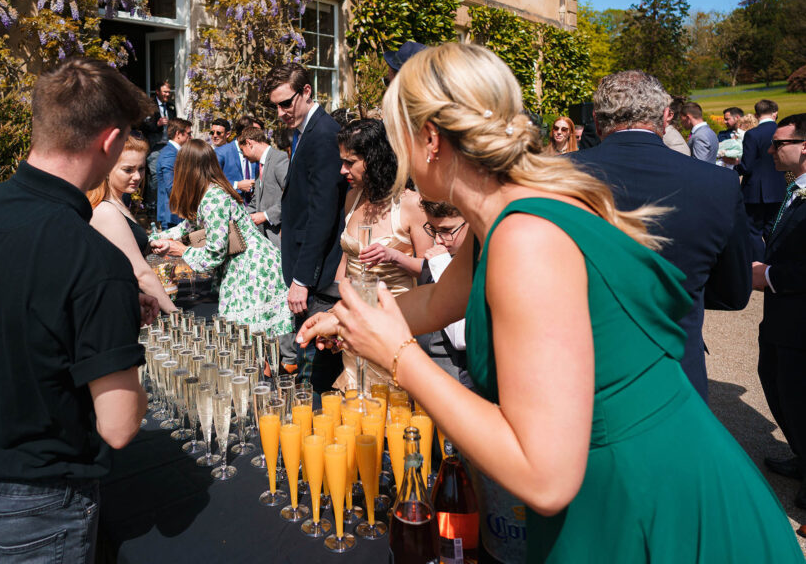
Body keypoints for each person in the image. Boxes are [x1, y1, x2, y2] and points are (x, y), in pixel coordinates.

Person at [298, 43, 804, 562]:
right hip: (628, 481)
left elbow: (545, 478)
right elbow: (435, 303)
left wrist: (399, 358)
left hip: (647, 499)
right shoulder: (506, 210)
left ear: (429, 139)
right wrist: (346, 315)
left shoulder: (525, 237)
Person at [0, 58, 157, 563]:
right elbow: (119, 426)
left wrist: (102, 322)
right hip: (35, 504)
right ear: (110, 142)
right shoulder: (95, 260)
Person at [572, 71, 751, 401]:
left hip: (577, 377)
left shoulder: (552, 178)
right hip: (674, 373)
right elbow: (734, 293)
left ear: (596, 120)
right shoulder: (717, 184)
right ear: (665, 117)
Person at [150, 139, 293, 336]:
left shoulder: (213, 198)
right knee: (252, 344)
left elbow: (214, 254)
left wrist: (181, 250)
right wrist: (154, 239)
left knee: (249, 343)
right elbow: (188, 226)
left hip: (250, 269)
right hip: (246, 266)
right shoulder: (209, 193)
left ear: (184, 169)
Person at [265, 62, 348, 390]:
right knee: (313, 364)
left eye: (286, 103)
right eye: (275, 106)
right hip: (307, 269)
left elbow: (322, 213)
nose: (281, 112)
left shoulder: (324, 133)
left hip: (317, 275)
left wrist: (302, 279)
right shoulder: (304, 131)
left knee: (322, 371)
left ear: (307, 92)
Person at [333, 119, 433, 390]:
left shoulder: (411, 204)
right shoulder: (353, 198)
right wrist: (338, 311)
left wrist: (394, 256)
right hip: (357, 323)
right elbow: (345, 260)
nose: (342, 170)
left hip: (396, 324)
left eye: (350, 162)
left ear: (374, 160)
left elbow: (432, 270)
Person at [752, 113, 806, 509]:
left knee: (799, 396)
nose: (771, 149)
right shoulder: (795, 188)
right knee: (777, 385)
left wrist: (768, 275)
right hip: (781, 319)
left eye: (779, 143)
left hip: (800, 322)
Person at [87, 133, 178, 313]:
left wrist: (148, 247)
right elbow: (141, 274)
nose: (137, 176)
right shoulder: (106, 210)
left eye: (141, 169)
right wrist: (176, 315)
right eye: (128, 170)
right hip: (117, 308)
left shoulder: (118, 203)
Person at [415, 199, 470, 388]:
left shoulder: (448, 263)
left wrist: (441, 267)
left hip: (459, 385)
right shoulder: (445, 258)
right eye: (433, 230)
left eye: (447, 231)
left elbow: (462, 337)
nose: (438, 240)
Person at [737, 98, 783, 261]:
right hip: (778, 187)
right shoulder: (782, 131)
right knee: (773, 228)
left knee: (753, 231)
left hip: (754, 190)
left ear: (756, 115)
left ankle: (759, 263)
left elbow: (747, 166)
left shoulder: (752, 134)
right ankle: (774, 260)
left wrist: (735, 168)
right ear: (775, 113)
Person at [240, 125, 289, 249]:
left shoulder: (279, 159)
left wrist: (266, 215)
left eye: (242, 150)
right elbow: (256, 201)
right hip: (265, 238)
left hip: (279, 237)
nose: (244, 156)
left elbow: (293, 195)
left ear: (249, 143)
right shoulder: (260, 165)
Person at [142, 81, 176, 215]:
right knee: (155, 177)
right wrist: (157, 124)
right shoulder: (150, 106)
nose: (167, 94)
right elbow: (143, 125)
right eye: (165, 92)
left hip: (168, 145)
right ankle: (151, 208)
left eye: (169, 92)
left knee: (168, 175)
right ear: (158, 92)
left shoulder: (171, 107)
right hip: (155, 146)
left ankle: (166, 208)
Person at [217, 115, 263, 203]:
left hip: (253, 205)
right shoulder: (221, 153)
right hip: (231, 204)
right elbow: (211, 181)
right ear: (243, 134)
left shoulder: (255, 152)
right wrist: (236, 185)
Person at [156, 117, 192, 229]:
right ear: (178, 134)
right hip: (172, 215)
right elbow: (171, 187)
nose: (191, 137)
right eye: (188, 134)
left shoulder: (174, 152)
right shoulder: (170, 154)